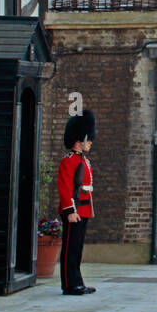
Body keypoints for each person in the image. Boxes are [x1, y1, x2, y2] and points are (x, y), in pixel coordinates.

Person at [58, 110, 98, 296]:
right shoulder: (69, 161)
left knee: (78, 248)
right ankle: (69, 284)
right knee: (70, 249)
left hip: (83, 209)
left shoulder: (84, 160)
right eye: (88, 139)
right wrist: (69, 211)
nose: (90, 142)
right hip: (74, 210)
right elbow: (65, 188)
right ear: (79, 139)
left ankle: (77, 281)